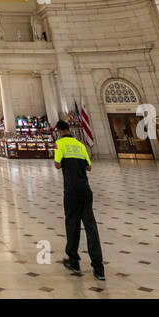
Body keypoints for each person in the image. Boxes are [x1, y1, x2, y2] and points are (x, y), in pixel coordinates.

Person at [52, 120, 105, 281]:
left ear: (59, 131)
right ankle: (98, 268)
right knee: (91, 226)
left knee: (72, 224)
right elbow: (89, 167)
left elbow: (57, 165)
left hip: (71, 190)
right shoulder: (80, 145)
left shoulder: (59, 144)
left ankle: (74, 261)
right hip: (86, 189)